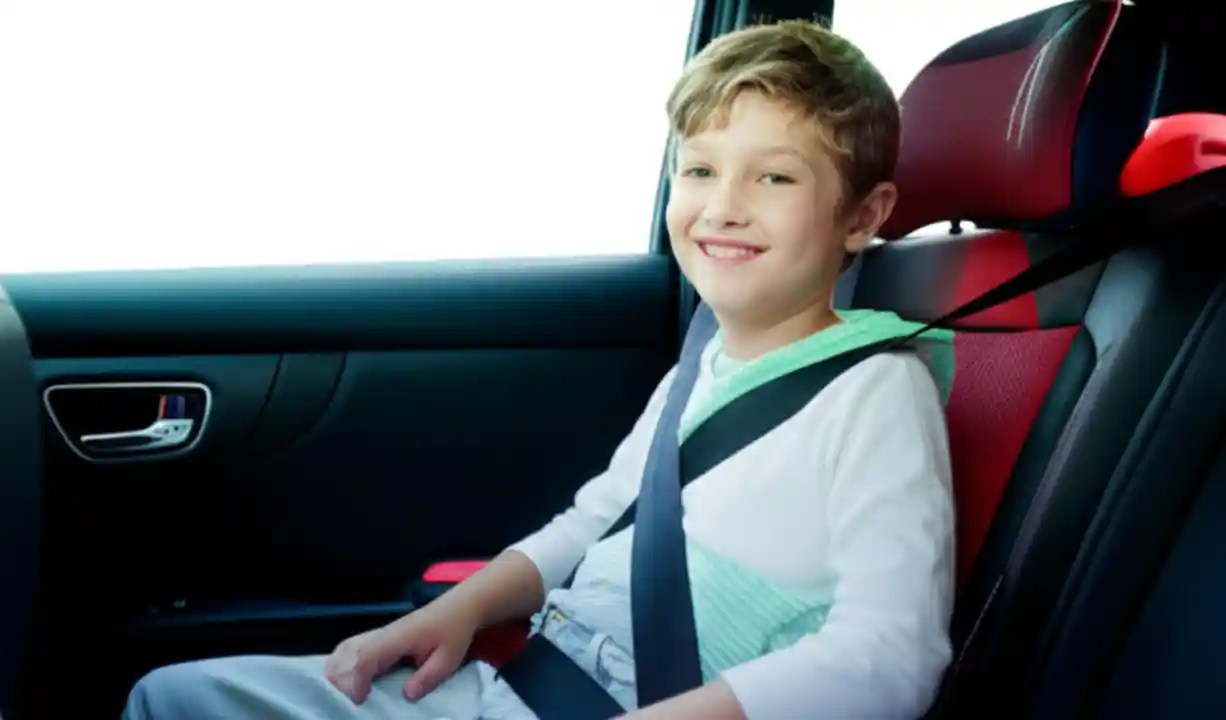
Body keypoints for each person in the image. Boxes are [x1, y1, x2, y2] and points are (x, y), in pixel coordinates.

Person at [123, 18, 955, 720]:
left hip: (653, 700)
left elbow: (892, 651)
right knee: (172, 698)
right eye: (698, 170)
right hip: (527, 675)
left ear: (863, 215)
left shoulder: (875, 392)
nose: (723, 204)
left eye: (773, 176)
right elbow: (589, 523)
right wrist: (457, 613)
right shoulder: (701, 364)